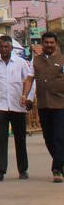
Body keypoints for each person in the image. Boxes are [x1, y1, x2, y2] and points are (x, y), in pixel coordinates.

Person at [0, 35, 33, 181]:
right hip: (1, 106)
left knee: (20, 139)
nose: (3, 49)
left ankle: (23, 169)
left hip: (17, 106)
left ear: (11, 48)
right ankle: (0, 169)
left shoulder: (20, 63)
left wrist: (28, 99)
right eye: (1, 46)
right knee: (0, 139)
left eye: (6, 46)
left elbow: (28, 81)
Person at [31, 31, 64, 182]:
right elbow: (29, 79)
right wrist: (27, 97)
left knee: (59, 137)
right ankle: (60, 162)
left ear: (55, 44)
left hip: (60, 105)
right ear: (42, 44)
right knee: (48, 138)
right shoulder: (36, 61)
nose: (49, 45)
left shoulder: (62, 60)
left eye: (51, 43)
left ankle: (56, 169)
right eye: (46, 43)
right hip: (44, 105)